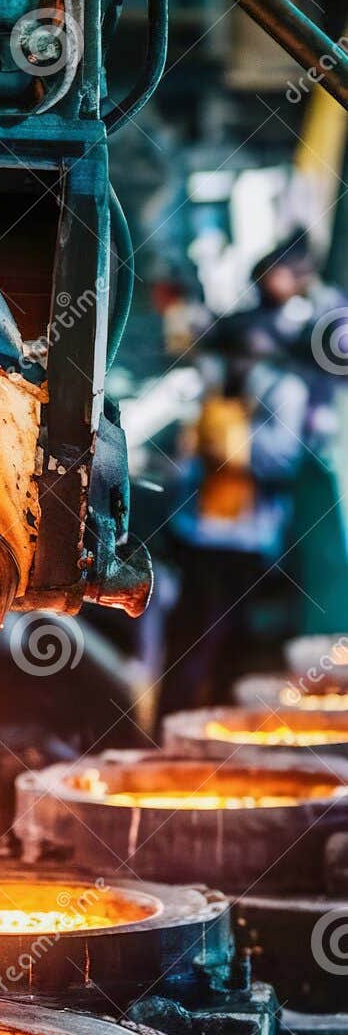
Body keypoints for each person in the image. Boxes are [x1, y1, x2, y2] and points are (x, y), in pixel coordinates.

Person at [159, 233, 348, 713]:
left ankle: (210, 732)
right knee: (190, 642)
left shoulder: (285, 385)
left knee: (228, 645)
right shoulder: (221, 384)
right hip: (202, 534)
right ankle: (175, 728)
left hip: (246, 539)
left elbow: (282, 459)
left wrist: (235, 446)